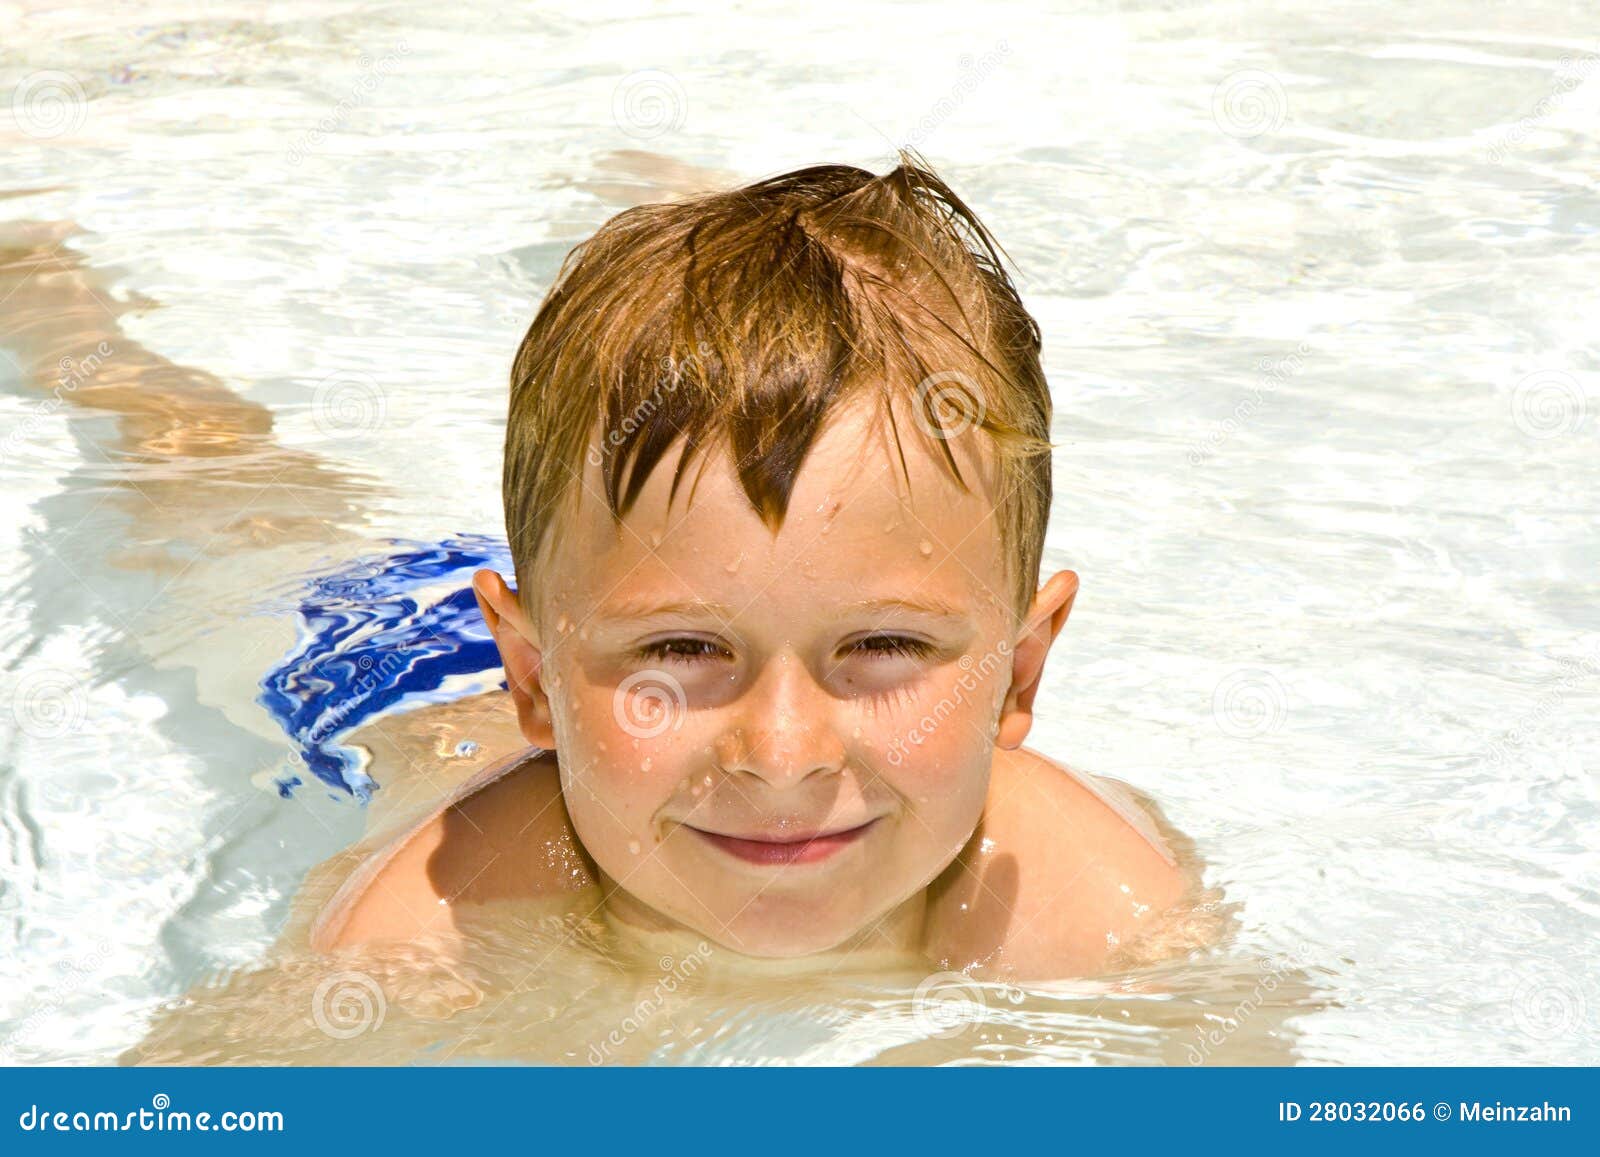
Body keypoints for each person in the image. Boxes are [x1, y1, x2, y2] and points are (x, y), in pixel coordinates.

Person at [307, 150, 1203, 980]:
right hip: (394, 667)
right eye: (687, 650)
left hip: (591, 595)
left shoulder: (1106, 918)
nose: (781, 757)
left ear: (1019, 669)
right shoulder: (433, 937)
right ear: (533, 676)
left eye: (884, 642)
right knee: (271, 512)